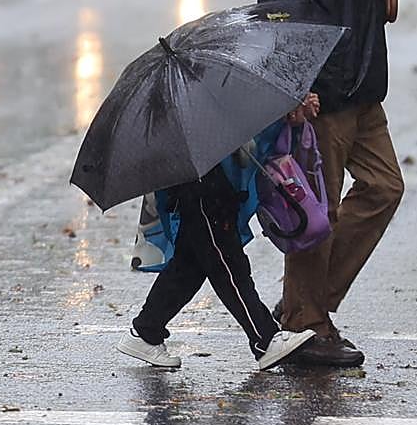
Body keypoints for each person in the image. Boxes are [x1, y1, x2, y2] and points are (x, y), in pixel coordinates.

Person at [254, 0, 406, 368]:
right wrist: (294, 88)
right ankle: (304, 325)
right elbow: (283, 12)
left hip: (360, 89)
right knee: (317, 210)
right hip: (321, 94)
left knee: (385, 188)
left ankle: (305, 305)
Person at [116, 99, 320, 371]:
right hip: (200, 183)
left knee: (190, 265)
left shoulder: (196, 80)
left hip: (208, 176)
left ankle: (146, 331)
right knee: (228, 263)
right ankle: (265, 339)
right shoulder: (186, 90)